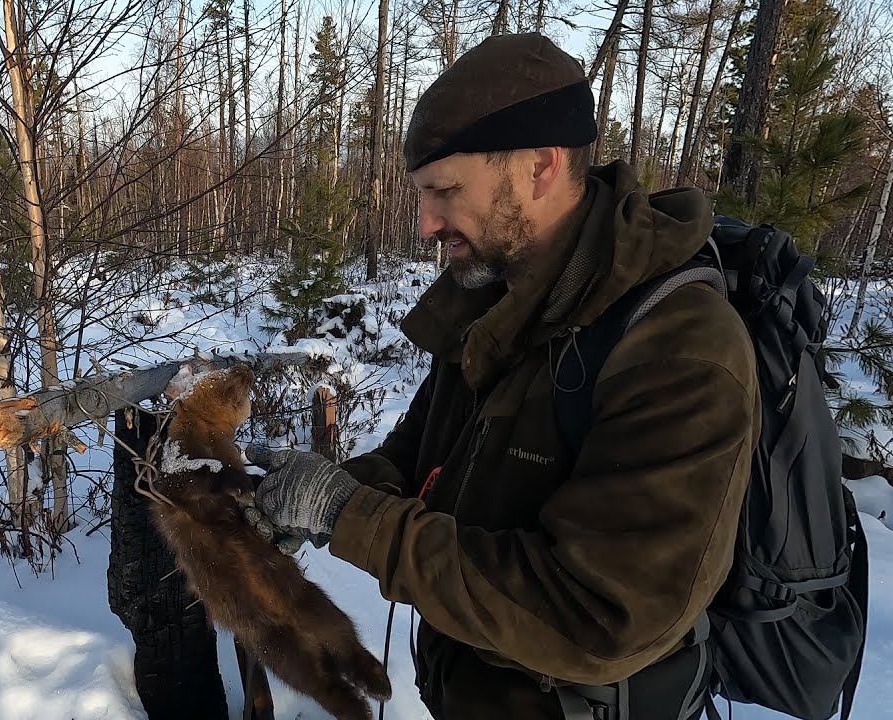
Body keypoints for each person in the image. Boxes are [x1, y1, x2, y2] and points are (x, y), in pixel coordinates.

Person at [246, 32, 760, 719]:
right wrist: (314, 498)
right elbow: (428, 455)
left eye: (445, 191)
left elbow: (596, 619)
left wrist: (348, 516)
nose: (426, 223)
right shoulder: (499, 297)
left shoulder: (681, 350)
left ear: (540, 166)